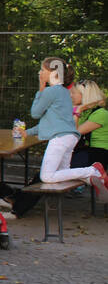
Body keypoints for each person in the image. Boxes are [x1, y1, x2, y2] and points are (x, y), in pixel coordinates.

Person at [30, 56, 107, 196]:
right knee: (54, 174)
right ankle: (91, 178)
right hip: (76, 145)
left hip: (96, 152)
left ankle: (92, 172)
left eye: (74, 93)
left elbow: (75, 131)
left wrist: (41, 88)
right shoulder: (76, 106)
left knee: (46, 176)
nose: (71, 95)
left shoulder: (99, 113)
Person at [75, 81, 108, 169]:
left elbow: (74, 133)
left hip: (100, 154)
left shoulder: (101, 114)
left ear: (85, 95)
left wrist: (77, 110)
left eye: (75, 93)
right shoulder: (85, 112)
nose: (71, 95)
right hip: (86, 152)